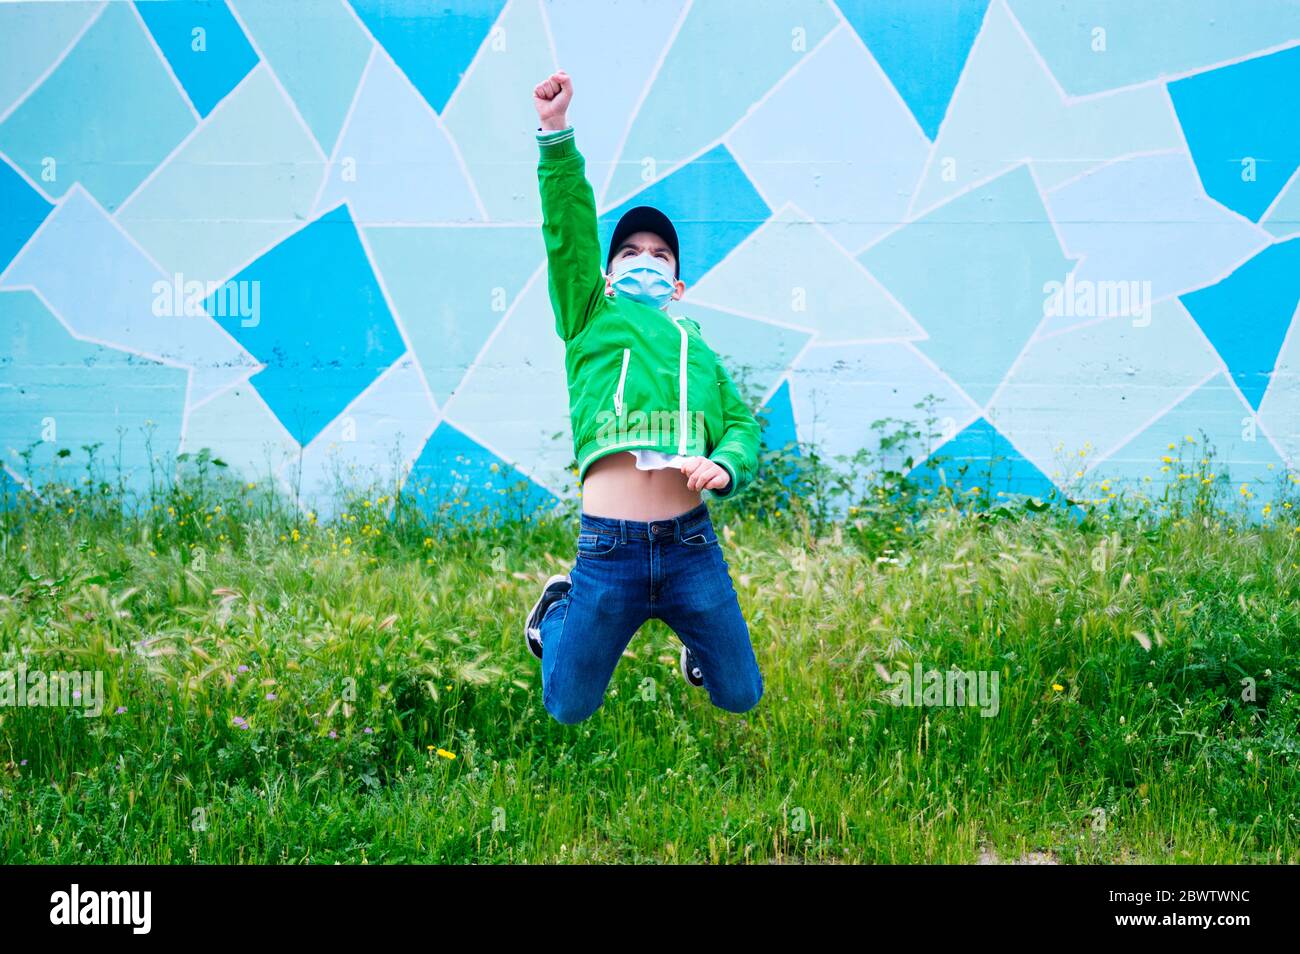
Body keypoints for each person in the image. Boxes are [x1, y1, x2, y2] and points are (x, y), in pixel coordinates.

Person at [523, 69, 763, 725]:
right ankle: (560, 607)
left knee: (740, 694)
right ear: (606, 273)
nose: (646, 259)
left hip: (691, 547)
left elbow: (740, 426)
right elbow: (566, 229)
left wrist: (727, 463)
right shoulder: (590, 316)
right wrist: (556, 134)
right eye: (630, 251)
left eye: (660, 254)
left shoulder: (699, 350)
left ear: (678, 284)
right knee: (567, 706)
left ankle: (695, 640)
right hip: (609, 552)